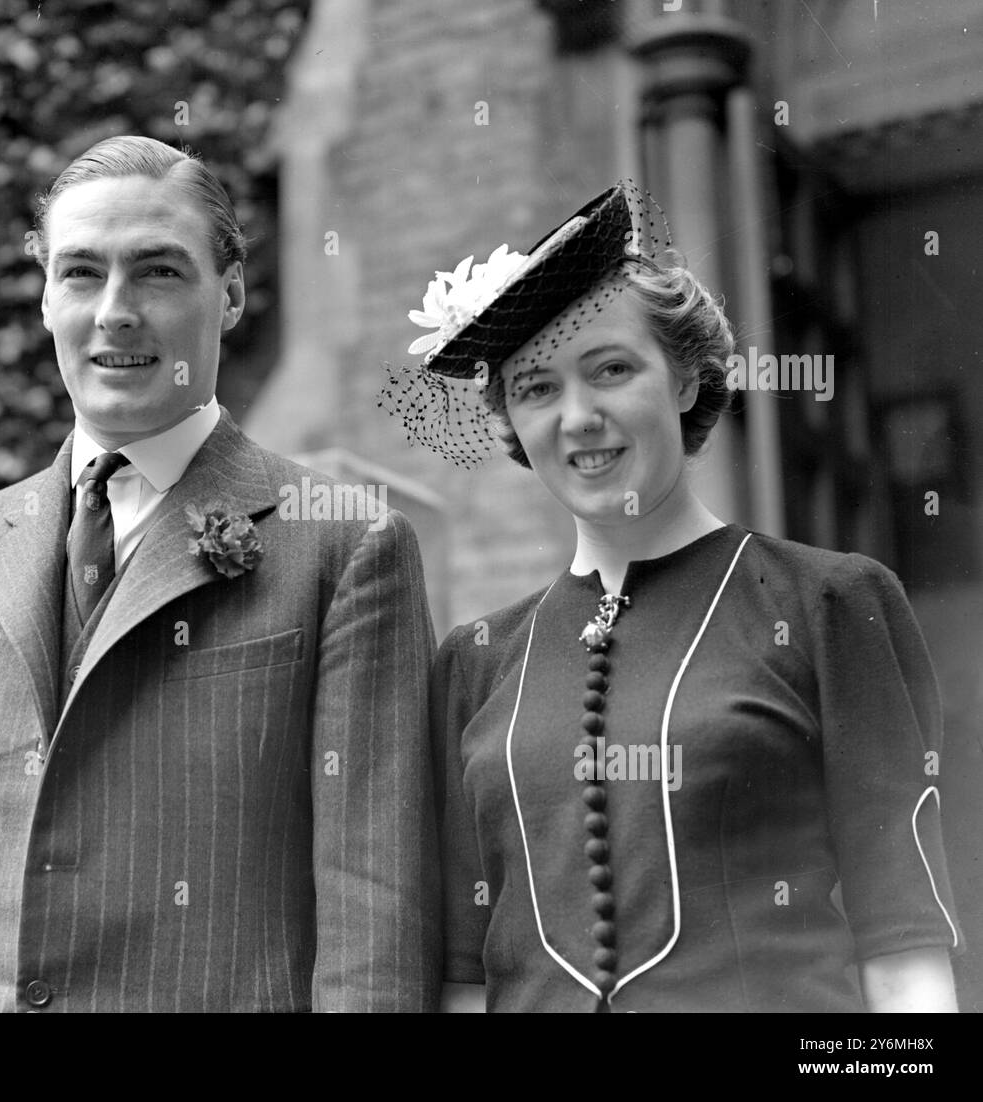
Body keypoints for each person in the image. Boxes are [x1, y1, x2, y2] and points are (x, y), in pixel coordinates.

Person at [0, 135, 440, 1012]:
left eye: (157, 271)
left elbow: (373, 904)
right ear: (44, 299)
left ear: (228, 295)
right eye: (80, 273)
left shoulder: (345, 548)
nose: (115, 311)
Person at [387, 181, 961, 1012]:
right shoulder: (475, 663)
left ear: (688, 382)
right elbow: (465, 978)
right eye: (536, 387)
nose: (578, 417)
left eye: (611, 369)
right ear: (511, 421)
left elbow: (902, 944)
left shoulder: (830, 604)